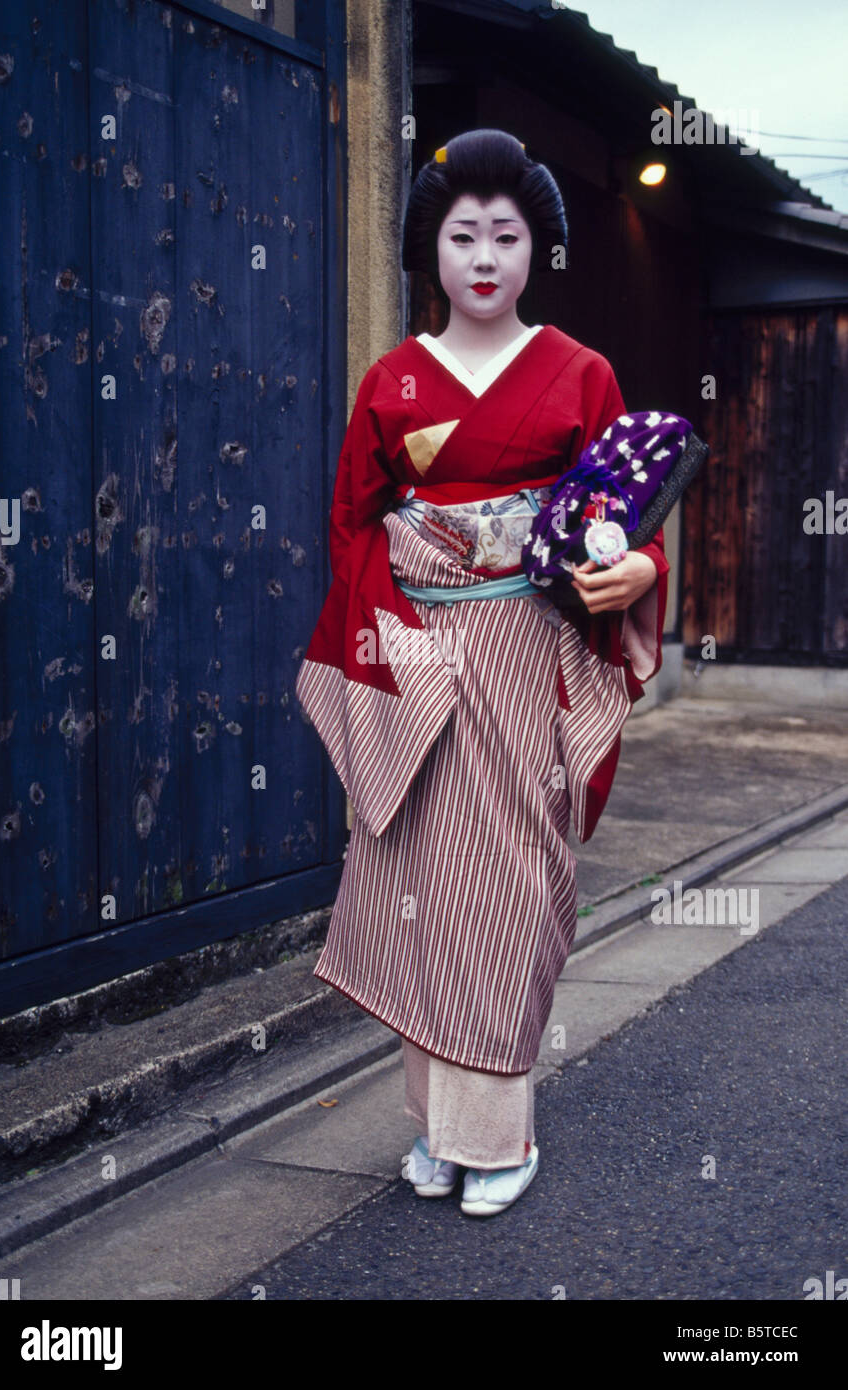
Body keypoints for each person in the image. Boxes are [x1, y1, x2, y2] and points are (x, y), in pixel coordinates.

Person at [295, 129, 668, 1218]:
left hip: (527, 652)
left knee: (511, 885)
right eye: (463, 235)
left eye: (506, 235)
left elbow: (626, 514)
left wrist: (636, 567)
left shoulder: (579, 371)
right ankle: (435, 1129)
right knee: (420, 893)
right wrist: (395, 632)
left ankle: (495, 1138)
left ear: (533, 247)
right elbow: (352, 524)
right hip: (417, 655)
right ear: (432, 251)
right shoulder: (394, 379)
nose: (486, 256)